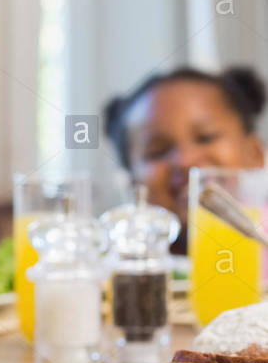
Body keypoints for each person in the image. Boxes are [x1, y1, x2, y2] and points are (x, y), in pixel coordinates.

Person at [104, 65, 267, 251]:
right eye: (158, 151)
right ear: (132, 183)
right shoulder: (115, 266)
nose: (185, 161)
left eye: (206, 137)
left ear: (254, 153)